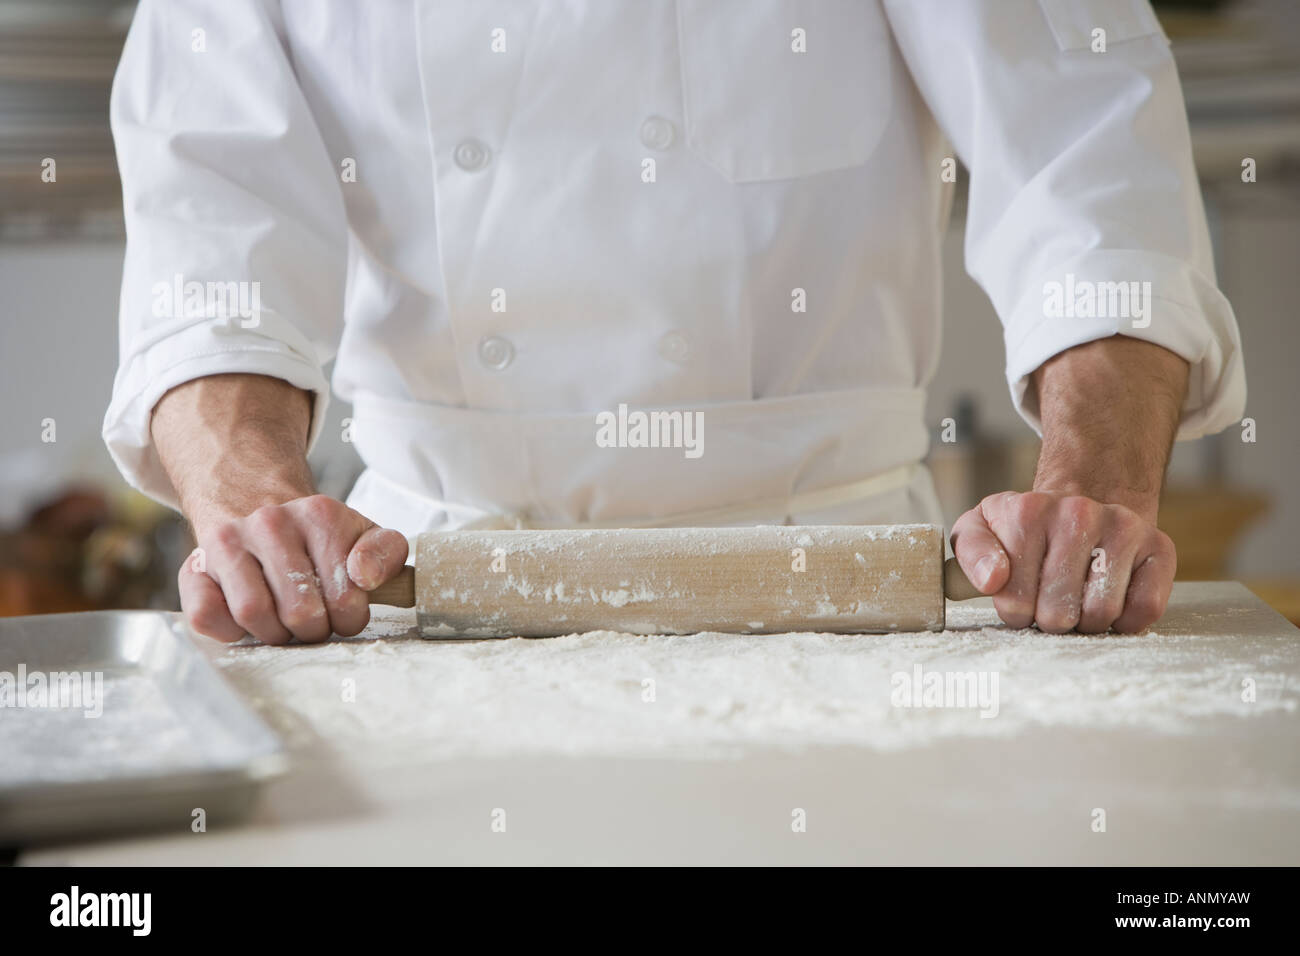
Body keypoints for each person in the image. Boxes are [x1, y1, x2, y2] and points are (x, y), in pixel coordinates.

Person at [104, 1, 1244, 644]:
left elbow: (1087, 156)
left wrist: (1089, 481)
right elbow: (212, 245)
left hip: (848, 596)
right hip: (423, 586)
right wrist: (252, 503)